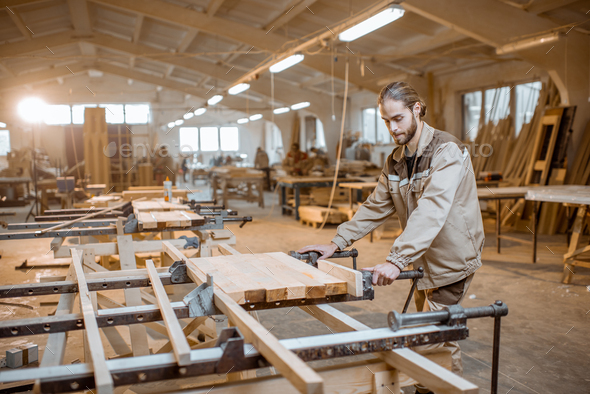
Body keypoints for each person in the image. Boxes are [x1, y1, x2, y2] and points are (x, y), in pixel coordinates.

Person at [296, 81, 484, 394]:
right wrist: (336, 242)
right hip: (424, 261)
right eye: (386, 120)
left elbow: (433, 209)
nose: (392, 127)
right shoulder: (396, 160)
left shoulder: (447, 150)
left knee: (429, 337)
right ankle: (430, 389)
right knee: (439, 336)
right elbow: (374, 207)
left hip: (452, 259)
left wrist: (396, 260)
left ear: (417, 110)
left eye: (398, 119)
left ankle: (440, 388)